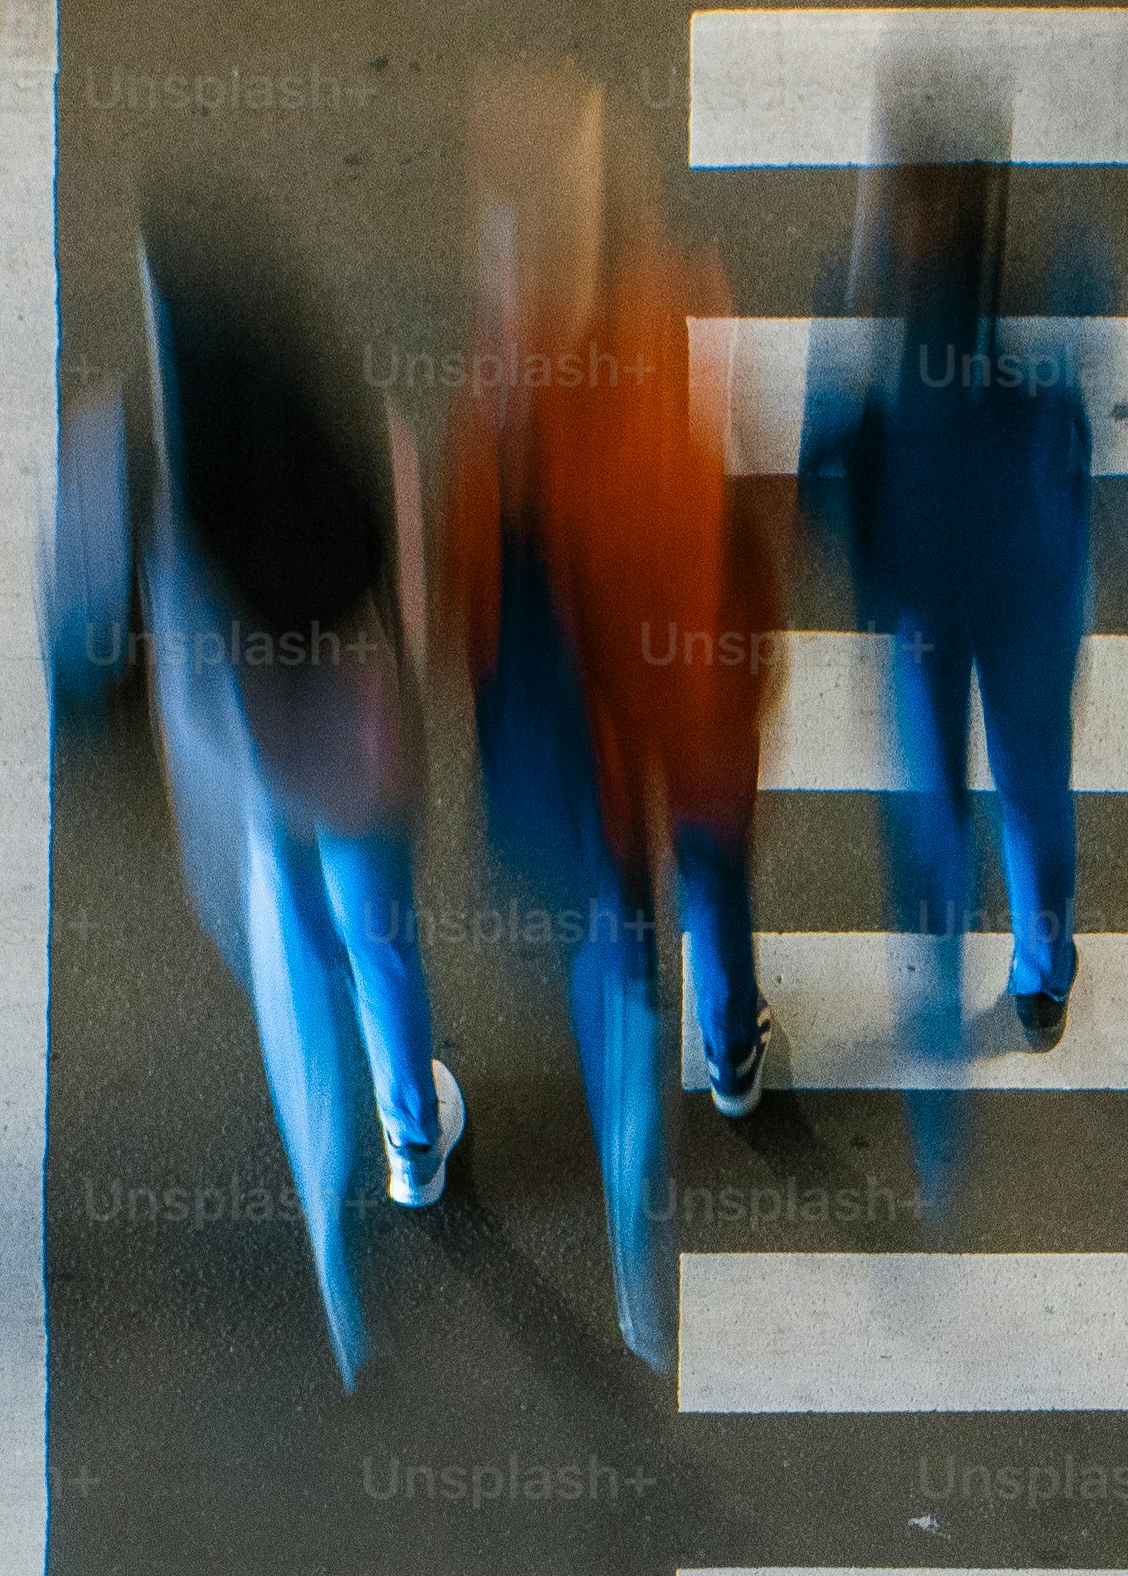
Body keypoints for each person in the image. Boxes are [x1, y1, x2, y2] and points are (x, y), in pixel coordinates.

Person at [442, 68, 789, 1371]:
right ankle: (737, 1045)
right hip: (696, 699)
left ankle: (639, 1206)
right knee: (717, 885)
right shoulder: (686, 307)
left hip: (589, 754)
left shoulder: (510, 407)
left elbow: (475, 585)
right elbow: (752, 494)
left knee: (619, 952)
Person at [803, 92, 1128, 1185]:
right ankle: (1040, 975)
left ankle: (940, 1018)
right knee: (1032, 785)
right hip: (1026, 597)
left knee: (936, 807)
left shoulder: (870, 334)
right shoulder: (1044, 308)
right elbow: (1082, 457)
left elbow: (831, 484)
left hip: (923, 606)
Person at [136, 201, 460, 1386]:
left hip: (272, 780)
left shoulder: (192, 528)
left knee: (313, 942)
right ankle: (412, 1141)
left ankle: (337, 1156)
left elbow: (174, 681)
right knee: (388, 949)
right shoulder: (349, 459)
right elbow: (409, 595)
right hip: (367, 764)